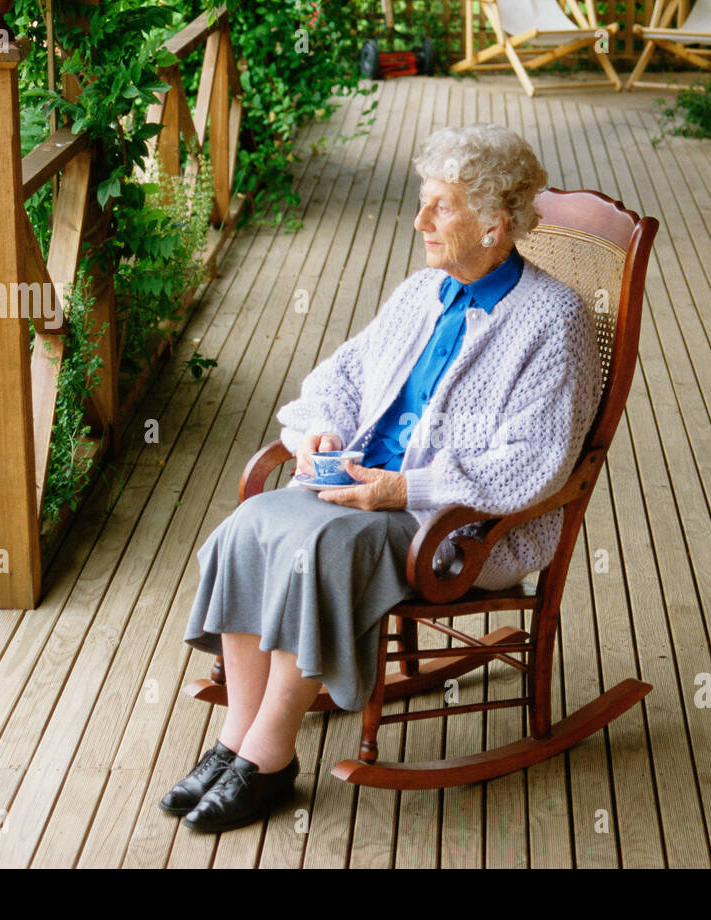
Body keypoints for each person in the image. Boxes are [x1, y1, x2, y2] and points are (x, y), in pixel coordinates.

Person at [160, 123, 603, 833]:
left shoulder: (555, 319)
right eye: (422, 201)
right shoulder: (424, 291)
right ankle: (234, 741)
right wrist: (319, 433)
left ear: (495, 224)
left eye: (441, 207)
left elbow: (537, 462)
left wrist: (403, 489)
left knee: (324, 551)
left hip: (458, 524)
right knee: (247, 529)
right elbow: (344, 373)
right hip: (363, 485)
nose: (419, 220)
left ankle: (270, 760)